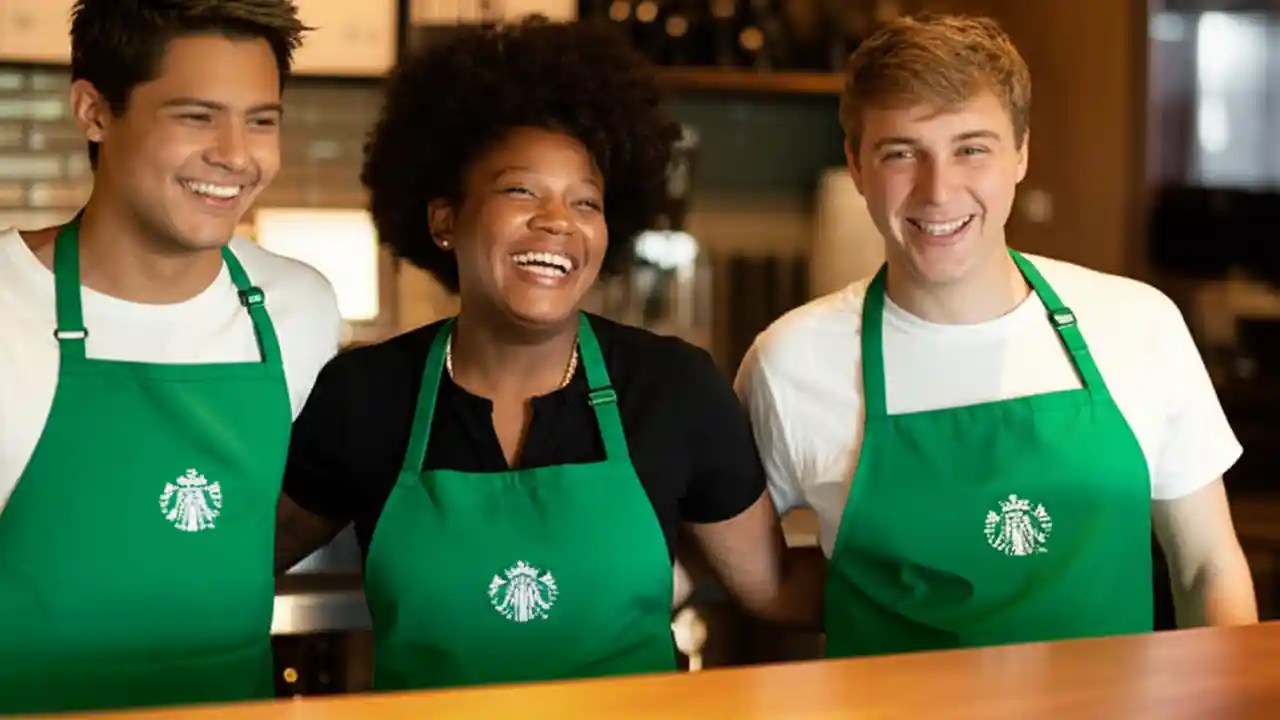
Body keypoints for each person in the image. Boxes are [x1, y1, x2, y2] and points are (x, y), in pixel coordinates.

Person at [275, 17, 824, 692]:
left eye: (584, 201)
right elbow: (234, 561)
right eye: (520, 191)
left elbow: (774, 590)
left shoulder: (673, 390)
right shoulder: (365, 395)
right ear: (444, 219)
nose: (557, 221)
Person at [734, 13, 1257, 659]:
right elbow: (751, 574)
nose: (938, 190)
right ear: (856, 164)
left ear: (1021, 153)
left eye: (971, 148)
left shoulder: (1138, 324)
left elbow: (1206, 567)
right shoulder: (791, 361)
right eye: (901, 153)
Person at [0, 0, 340, 714]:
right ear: (94, 112)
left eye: (261, 120)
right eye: (195, 116)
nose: (236, 154)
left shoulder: (299, 309)